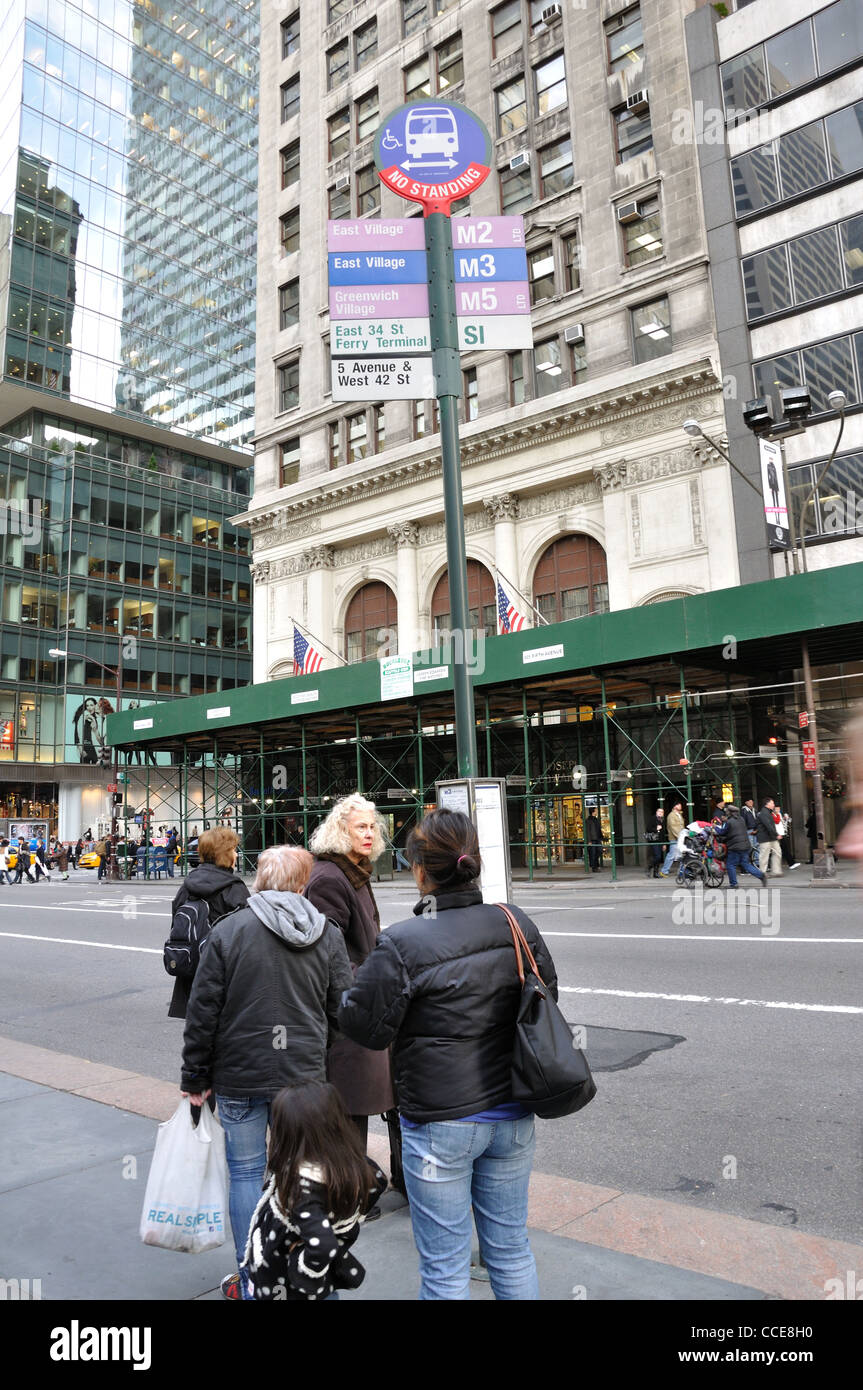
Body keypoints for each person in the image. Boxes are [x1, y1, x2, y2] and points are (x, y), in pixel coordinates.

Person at [338, 807, 559, 1301]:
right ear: (472, 862)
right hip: (514, 1110)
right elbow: (548, 998)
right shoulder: (514, 922)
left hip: (441, 1120)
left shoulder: (403, 941)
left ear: (420, 870)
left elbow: (366, 1029)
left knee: (445, 1267)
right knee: (510, 1248)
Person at [181, 845, 353, 1301]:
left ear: (258, 880)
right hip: (303, 1078)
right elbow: (342, 1008)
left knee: (244, 1173)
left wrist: (194, 1077)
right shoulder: (326, 934)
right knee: (305, 1174)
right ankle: (311, 1272)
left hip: (239, 1075)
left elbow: (204, 1012)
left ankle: (252, 1275)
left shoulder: (229, 930)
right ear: (303, 884)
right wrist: (318, 1047)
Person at [305, 794, 396, 1159]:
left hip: (361, 1005)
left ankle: (357, 1189)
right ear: (340, 831)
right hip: (347, 1011)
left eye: (373, 826)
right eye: (361, 827)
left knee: (359, 1099)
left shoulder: (352, 870)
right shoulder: (330, 877)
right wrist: (369, 983)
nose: (371, 833)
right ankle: (350, 1195)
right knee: (350, 1103)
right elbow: (329, 953)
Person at [240, 1081, 387, 1302]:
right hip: (322, 1282)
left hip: (286, 1284)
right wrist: (355, 1216)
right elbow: (379, 1181)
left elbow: (323, 1245)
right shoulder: (350, 1162)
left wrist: (304, 1273)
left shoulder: (302, 1188)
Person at [168, 826, 250, 1020]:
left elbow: (175, 927)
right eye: (233, 849)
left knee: (199, 1037)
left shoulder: (187, 886)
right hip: (225, 979)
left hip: (191, 975)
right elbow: (247, 939)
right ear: (224, 854)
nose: (236, 854)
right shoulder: (234, 889)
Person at [721, 807, 766, 888]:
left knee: (730, 864)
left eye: (727, 812)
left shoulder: (729, 821)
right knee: (745, 864)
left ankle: (734, 884)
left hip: (735, 847)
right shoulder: (741, 819)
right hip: (745, 845)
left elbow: (722, 832)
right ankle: (761, 875)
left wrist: (714, 827)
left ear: (730, 813)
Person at [756, 798, 782, 877]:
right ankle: (763, 872)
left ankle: (776, 871)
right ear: (767, 804)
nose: (774, 805)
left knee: (777, 852)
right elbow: (768, 825)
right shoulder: (763, 813)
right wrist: (776, 834)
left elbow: (770, 826)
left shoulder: (768, 812)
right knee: (764, 855)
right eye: (772, 803)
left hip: (771, 837)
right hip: (765, 838)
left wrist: (775, 834)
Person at [659, 801, 686, 875]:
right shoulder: (671, 816)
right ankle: (664, 871)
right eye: (679, 805)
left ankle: (682, 871)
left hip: (679, 837)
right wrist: (680, 837)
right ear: (675, 806)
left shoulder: (679, 815)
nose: (680, 806)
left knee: (681, 855)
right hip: (675, 838)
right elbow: (673, 827)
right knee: (672, 855)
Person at [774, 805, 799, 869]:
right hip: (777, 834)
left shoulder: (780, 814)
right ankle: (791, 863)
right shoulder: (773, 815)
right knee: (780, 850)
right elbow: (776, 822)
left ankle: (791, 863)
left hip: (782, 834)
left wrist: (785, 818)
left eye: (779, 809)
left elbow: (789, 821)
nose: (778, 810)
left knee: (785, 849)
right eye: (776, 809)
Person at [644, 807, 665, 878]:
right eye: (659, 811)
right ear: (656, 812)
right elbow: (648, 828)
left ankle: (655, 873)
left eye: (662, 812)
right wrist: (656, 829)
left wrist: (664, 843)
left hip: (660, 841)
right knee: (657, 856)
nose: (660, 813)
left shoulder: (662, 821)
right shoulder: (652, 819)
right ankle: (649, 867)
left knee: (658, 857)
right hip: (654, 840)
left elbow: (663, 833)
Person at [585, 806, 604, 872]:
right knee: (593, 853)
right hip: (592, 839)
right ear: (593, 811)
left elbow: (598, 829)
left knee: (600, 851)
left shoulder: (596, 819)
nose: (597, 811)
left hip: (598, 838)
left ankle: (596, 865)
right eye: (596, 810)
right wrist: (589, 841)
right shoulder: (588, 820)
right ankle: (594, 867)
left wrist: (602, 837)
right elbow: (587, 831)